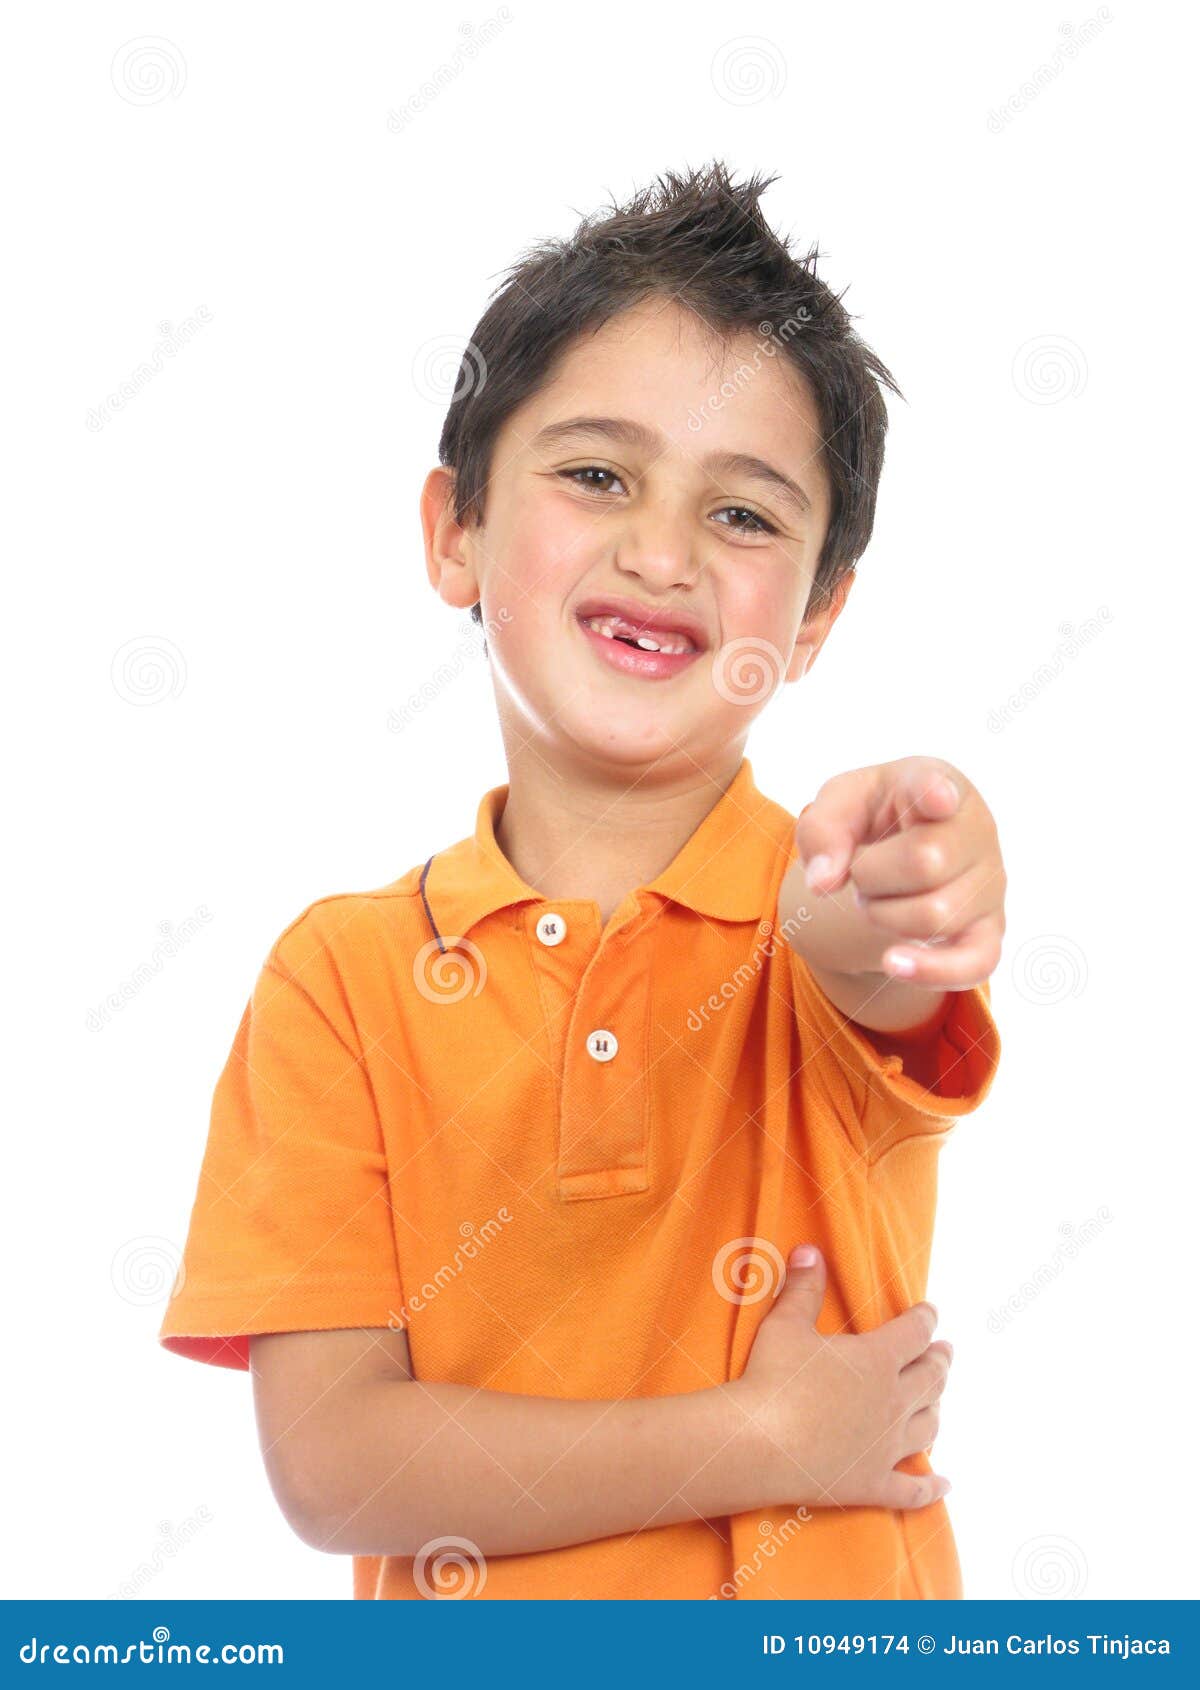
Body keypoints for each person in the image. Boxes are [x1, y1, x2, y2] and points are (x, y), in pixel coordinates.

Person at [159, 160, 1005, 1600]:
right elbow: (332, 1462)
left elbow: (856, 946)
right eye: (599, 473)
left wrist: (907, 874)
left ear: (814, 618)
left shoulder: (818, 924)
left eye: (745, 515)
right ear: (456, 530)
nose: (662, 550)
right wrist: (763, 1435)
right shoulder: (343, 979)